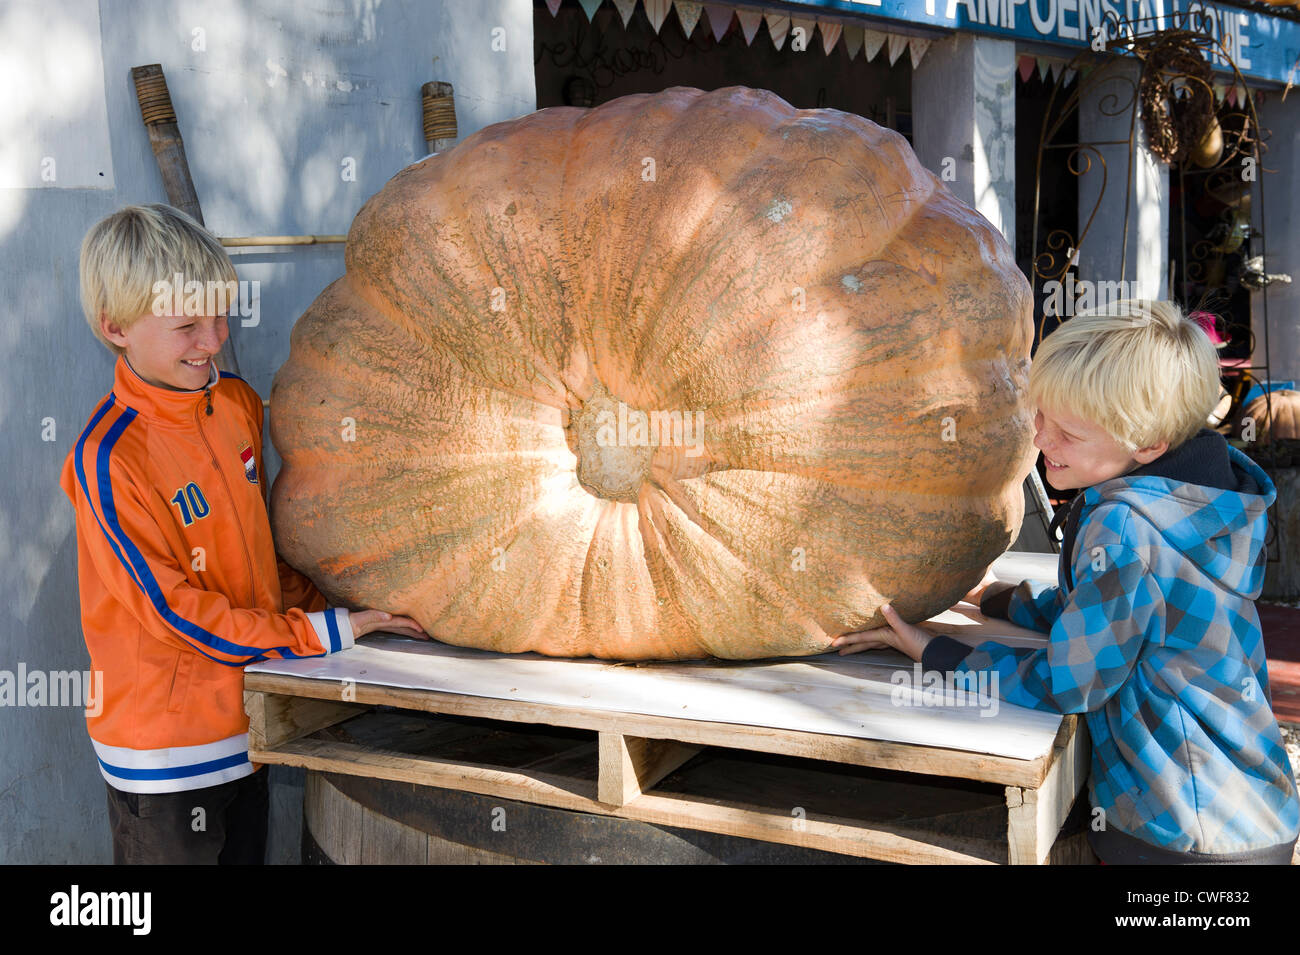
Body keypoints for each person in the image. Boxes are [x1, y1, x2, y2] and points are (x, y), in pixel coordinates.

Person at [833, 299, 1300, 864]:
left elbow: (1069, 682)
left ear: (1146, 443)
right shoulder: (1202, 501)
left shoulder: (1124, 527)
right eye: (1040, 417)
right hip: (1251, 812)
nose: (1041, 440)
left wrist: (933, 651)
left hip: (1177, 831)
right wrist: (998, 599)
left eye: (1068, 433)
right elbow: (1111, 611)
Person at [60, 203, 425, 864]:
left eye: (220, 314)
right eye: (187, 325)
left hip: (247, 724)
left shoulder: (233, 404)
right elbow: (175, 612)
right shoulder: (107, 458)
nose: (213, 340)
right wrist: (319, 635)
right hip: (165, 758)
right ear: (116, 327)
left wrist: (343, 612)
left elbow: (263, 550)